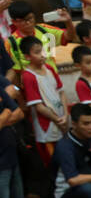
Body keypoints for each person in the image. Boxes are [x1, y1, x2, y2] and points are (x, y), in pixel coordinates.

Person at [19, 37, 68, 175]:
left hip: (61, 119)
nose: (43, 55)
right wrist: (58, 120)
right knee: (56, 166)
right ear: (27, 56)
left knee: (68, 159)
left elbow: (62, 92)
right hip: (47, 126)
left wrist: (65, 115)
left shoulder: (49, 68)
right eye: (37, 52)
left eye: (43, 50)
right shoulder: (28, 76)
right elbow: (38, 106)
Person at [3, 0, 71, 73]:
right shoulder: (11, 43)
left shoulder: (44, 29)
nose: (28, 23)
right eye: (24, 20)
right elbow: (15, 71)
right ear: (14, 22)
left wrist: (68, 22)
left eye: (30, 18)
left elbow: (69, 36)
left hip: (52, 77)